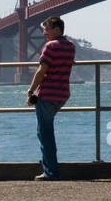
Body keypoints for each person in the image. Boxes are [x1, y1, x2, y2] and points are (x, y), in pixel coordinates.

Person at [25, 16, 76, 181]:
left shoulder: (50, 46)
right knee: (47, 132)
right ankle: (50, 170)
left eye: (46, 29)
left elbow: (41, 71)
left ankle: (50, 172)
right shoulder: (70, 46)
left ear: (56, 29)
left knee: (45, 134)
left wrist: (30, 91)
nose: (44, 33)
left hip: (47, 95)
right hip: (62, 94)